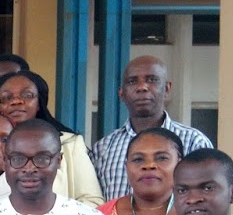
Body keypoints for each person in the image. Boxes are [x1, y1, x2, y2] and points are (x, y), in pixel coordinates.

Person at [89, 55, 213, 201]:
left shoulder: (194, 142)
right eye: (132, 81)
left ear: (167, 89)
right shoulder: (103, 148)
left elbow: (207, 198)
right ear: (121, 93)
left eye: (152, 80)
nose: (142, 87)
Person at [0, 70, 104, 206]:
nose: (16, 101)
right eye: (6, 98)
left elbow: (92, 201)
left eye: (27, 95)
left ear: (39, 103)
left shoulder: (69, 144)